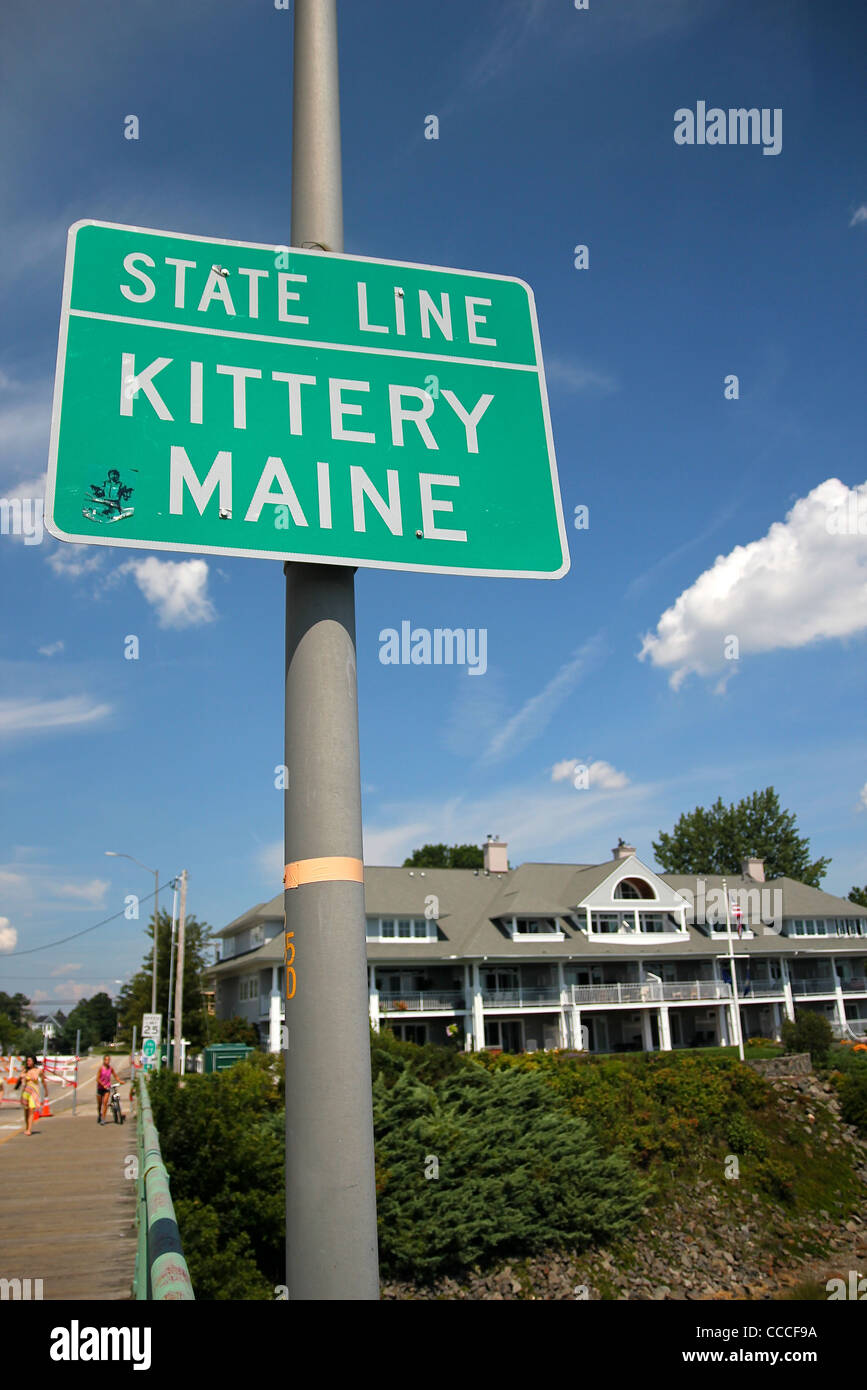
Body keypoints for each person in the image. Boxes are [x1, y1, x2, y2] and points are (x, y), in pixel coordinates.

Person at [16, 1056, 44, 1136]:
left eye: (30, 1061)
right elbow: (20, 1079)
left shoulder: (38, 1070)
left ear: (33, 1061)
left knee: (31, 1109)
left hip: (34, 1092)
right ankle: (27, 1127)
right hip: (25, 1092)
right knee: (26, 1111)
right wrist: (22, 1077)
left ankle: (29, 1129)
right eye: (27, 1061)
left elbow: (42, 1078)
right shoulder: (25, 1070)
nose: (28, 1062)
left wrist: (45, 1088)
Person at [96, 1055, 121, 1124]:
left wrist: (119, 1081)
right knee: (99, 1104)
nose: (107, 1061)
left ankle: (103, 1119)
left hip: (107, 1088)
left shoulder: (111, 1068)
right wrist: (102, 1085)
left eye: (108, 1060)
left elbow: (115, 1075)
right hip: (100, 1088)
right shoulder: (101, 1068)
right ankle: (99, 1115)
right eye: (106, 1060)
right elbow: (97, 1079)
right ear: (104, 1060)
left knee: (105, 1103)